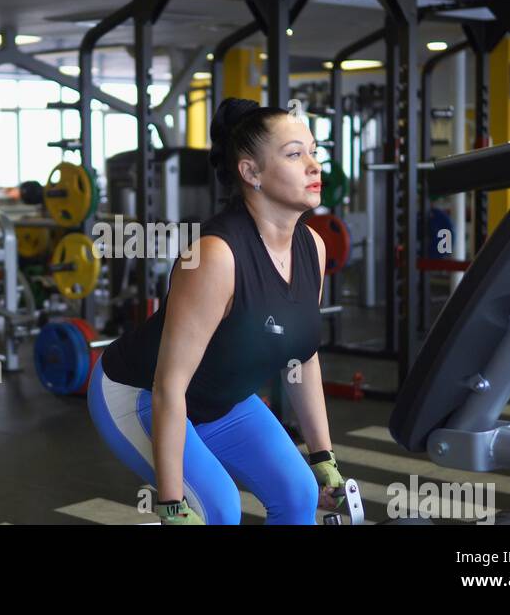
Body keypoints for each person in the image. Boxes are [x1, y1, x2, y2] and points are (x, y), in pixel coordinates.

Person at [87, 97, 344, 524]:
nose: (314, 165)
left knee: (299, 494)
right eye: (295, 154)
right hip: (141, 394)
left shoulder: (311, 247)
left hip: (222, 399)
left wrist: (323, 456)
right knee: (217, 510)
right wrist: (172, 504)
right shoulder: (214, 256)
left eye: (314, 151)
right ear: (251, 172)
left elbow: (303, 356)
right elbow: (169, 385)